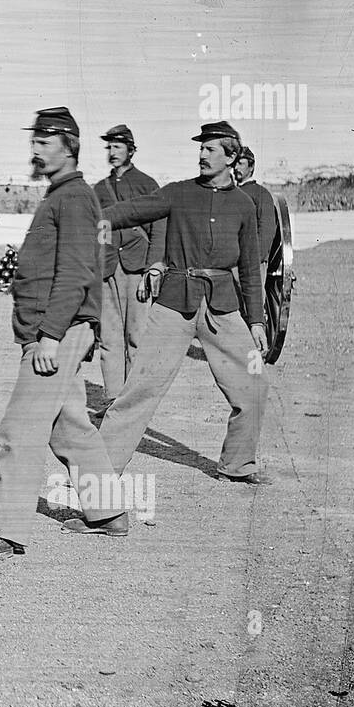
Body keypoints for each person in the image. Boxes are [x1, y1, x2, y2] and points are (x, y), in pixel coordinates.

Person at [0, 107, 129, 563]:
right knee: (70, 428)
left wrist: (49, 336)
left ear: (70, 146)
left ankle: (1, 531)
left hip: (57, 333)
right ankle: (109, 513)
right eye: (34, 142)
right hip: (55, 331)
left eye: (45, 143)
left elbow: (76, 273)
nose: (36, 150)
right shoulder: (63, 196)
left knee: (19, 430)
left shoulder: (74, 198)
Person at [97, 121, 270, 485]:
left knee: (254, 383)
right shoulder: (177, 193)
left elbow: (250, 268)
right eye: (201, 148)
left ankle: (238, 464)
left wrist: (256, 321)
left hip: (222, 306)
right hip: (174, 305)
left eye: (210, 149)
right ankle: (100, 472)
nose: (202, 155)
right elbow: (135, 210)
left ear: (231, 156)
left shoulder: (244, 205)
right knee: (138, 390)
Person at [93, 124, 164, 401]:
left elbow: (160, 227)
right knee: (109, 339)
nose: (112, 152)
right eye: (109, 147)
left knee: (137, 337)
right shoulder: (99, 189)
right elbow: (97, 231)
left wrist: (154, 265)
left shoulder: (147, 185)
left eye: (117, 147)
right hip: (107, 268)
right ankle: (113, 400)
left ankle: (132, 402)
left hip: (137, 269)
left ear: (131, 151)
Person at [234, 145, 279, 275]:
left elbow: (266, 231)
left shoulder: (261, 194)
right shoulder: (229, 193)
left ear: (251, 167)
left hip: (252, 265)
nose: (236, 168)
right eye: (235, 164)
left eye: (241, 164)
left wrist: (253, 261)